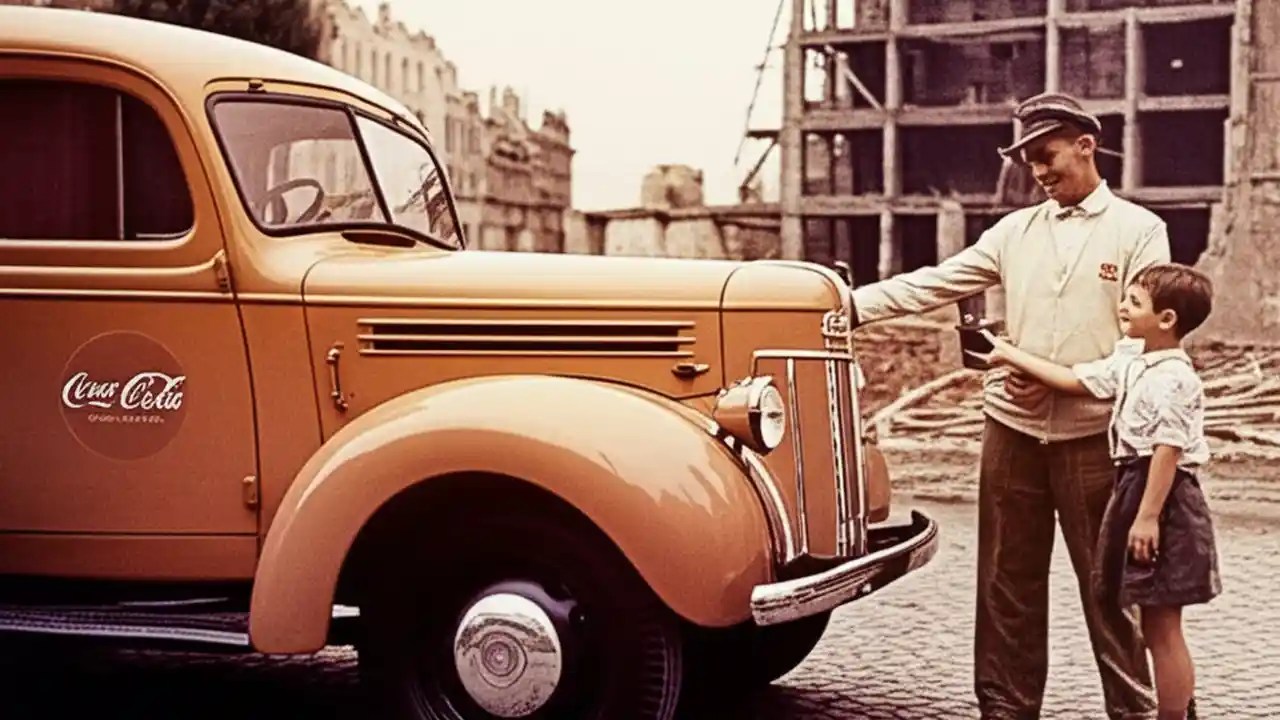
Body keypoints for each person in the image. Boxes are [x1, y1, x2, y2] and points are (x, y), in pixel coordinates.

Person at [850, 91, 1170, 719]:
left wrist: (1060, 380)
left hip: (1095, 437)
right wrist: (847, 304)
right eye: (1029, 161)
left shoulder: (1139, 231)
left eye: (1047, 155)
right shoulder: (1014, 232)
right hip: (1012, 433)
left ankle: (1137, 711)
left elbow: (1144, 346)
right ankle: (1004, 709)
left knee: (1111, 586)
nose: (1039, 172)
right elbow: (934, 282)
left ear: (1086, 145)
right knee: (1005, 583)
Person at [971, 262, 1220, 720]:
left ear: (1167, 319)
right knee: (1150, 621)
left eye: (1134, 302)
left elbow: (1168, 450)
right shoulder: (1133, 360)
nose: (1122, 307)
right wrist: (1008, 354)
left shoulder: (1173, 378)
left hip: (1162, 497)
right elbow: (1077, 379)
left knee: (1163, 628)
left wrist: (1147, 517)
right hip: (1135, 488)